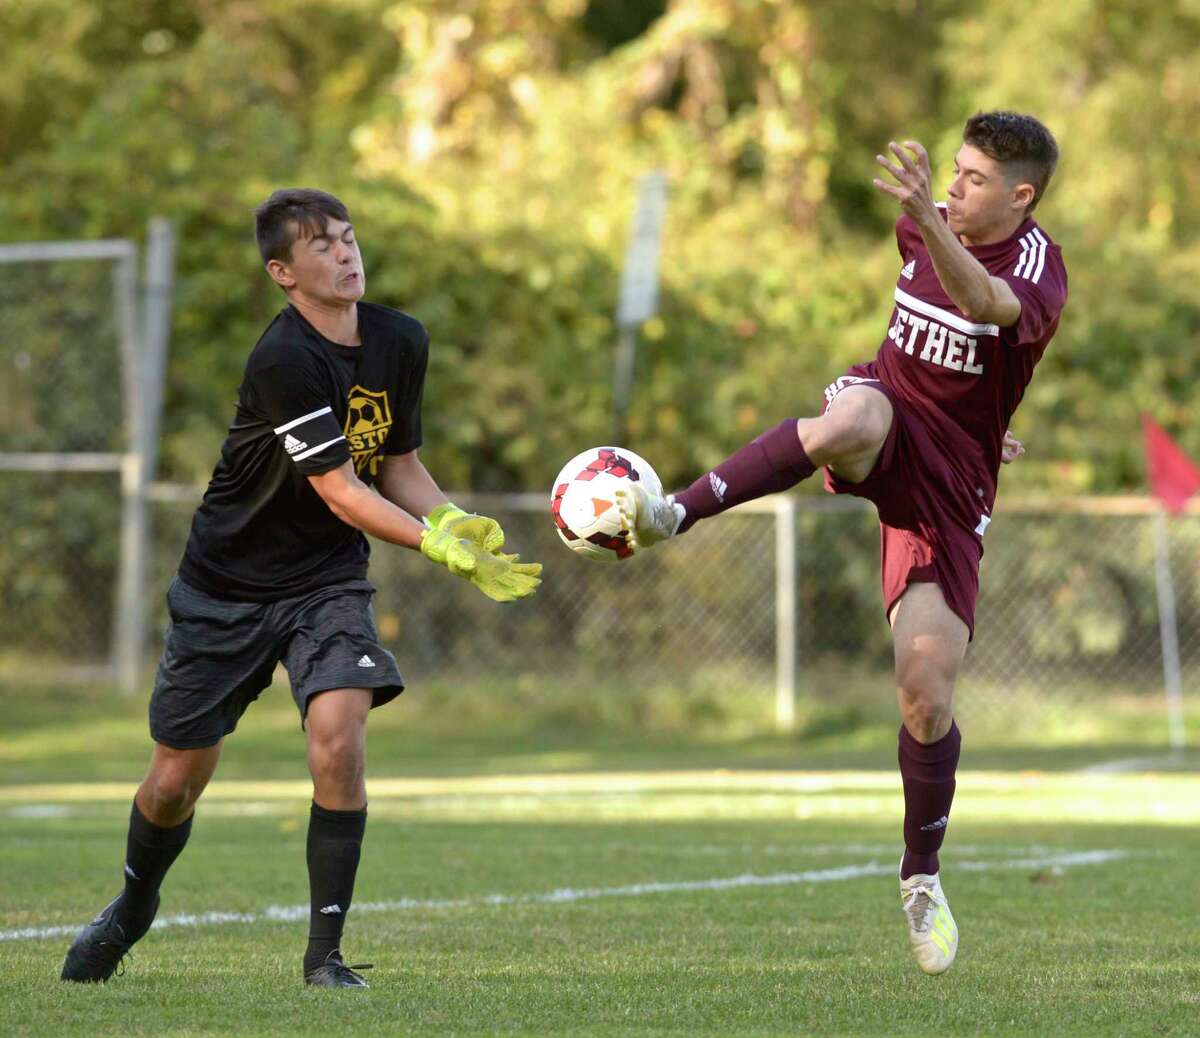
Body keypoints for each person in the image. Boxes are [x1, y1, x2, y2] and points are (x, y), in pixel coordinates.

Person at [617, 111, 1066, 975]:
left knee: (926, 696)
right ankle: (674, 512)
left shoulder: (1038, 266)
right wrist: (929, 224)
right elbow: (923, 344)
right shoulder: (923, 223)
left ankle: (921, 878)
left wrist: (984, 424)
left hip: (951, 485)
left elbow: (985, 307)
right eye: (954, 170)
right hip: (884, 409)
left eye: (974, 179)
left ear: (1022, 197)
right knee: (847, 420)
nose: (953, 187)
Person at [60, 188, 541, 988]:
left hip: (326, 581)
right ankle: (133, 906)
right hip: (226, 585)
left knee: (340, 736)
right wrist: (431, 545)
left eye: (349, 239)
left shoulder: (400, 338)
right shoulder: (283, 359)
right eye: (322, 246)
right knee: (175, 783)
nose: (346, 254)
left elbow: (397, 465)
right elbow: (342, 490)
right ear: (283, 272)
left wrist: (453, 518)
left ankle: (325, 958)